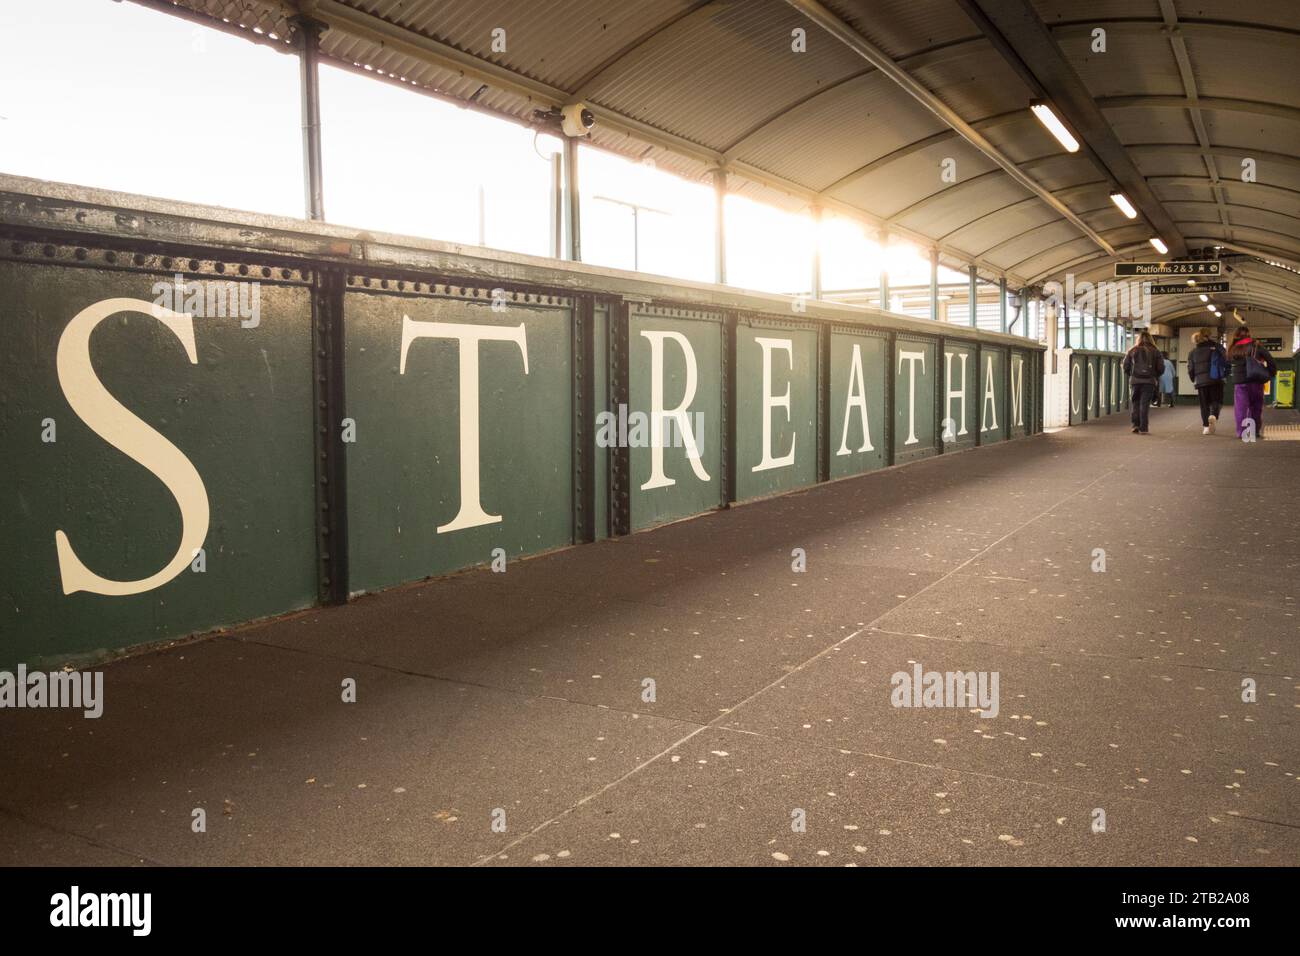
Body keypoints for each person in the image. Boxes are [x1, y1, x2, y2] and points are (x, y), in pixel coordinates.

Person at [1227, 325, 1278, 439]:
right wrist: (1270, 373)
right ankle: (1254, 431)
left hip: (1240, 383)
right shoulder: (1256, 345)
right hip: (1256, 380)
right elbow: (1270, 360)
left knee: (1240, 408)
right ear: (1248, 334)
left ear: (1236, 336)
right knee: (1256, 407)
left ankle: (1241, 432)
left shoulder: (1233, 348)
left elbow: (1228, 363)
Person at [1186, 329, 1227, 434]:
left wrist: (1193, 378)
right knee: (1217, 400)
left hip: (1201, 382)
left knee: (1204, 405)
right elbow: (1225, 358)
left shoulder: (1192, 352)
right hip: (1216, 379)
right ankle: (1214, 414)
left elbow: (1190, 368)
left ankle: (1206, 427)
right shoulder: (1215, 347)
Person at [1122, 330, 1164, 434]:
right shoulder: (1156, 351)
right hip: (1149, 381)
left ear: (1138, 339)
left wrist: (1132, 375)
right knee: (1144, 404)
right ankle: (1144, 428)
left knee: (1135, 403)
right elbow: (1161, 368)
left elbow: (1125, 366)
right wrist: (1155, 376)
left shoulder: (1132, 350)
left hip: (1135, 381)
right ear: (1151, 339)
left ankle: (1135, 425)